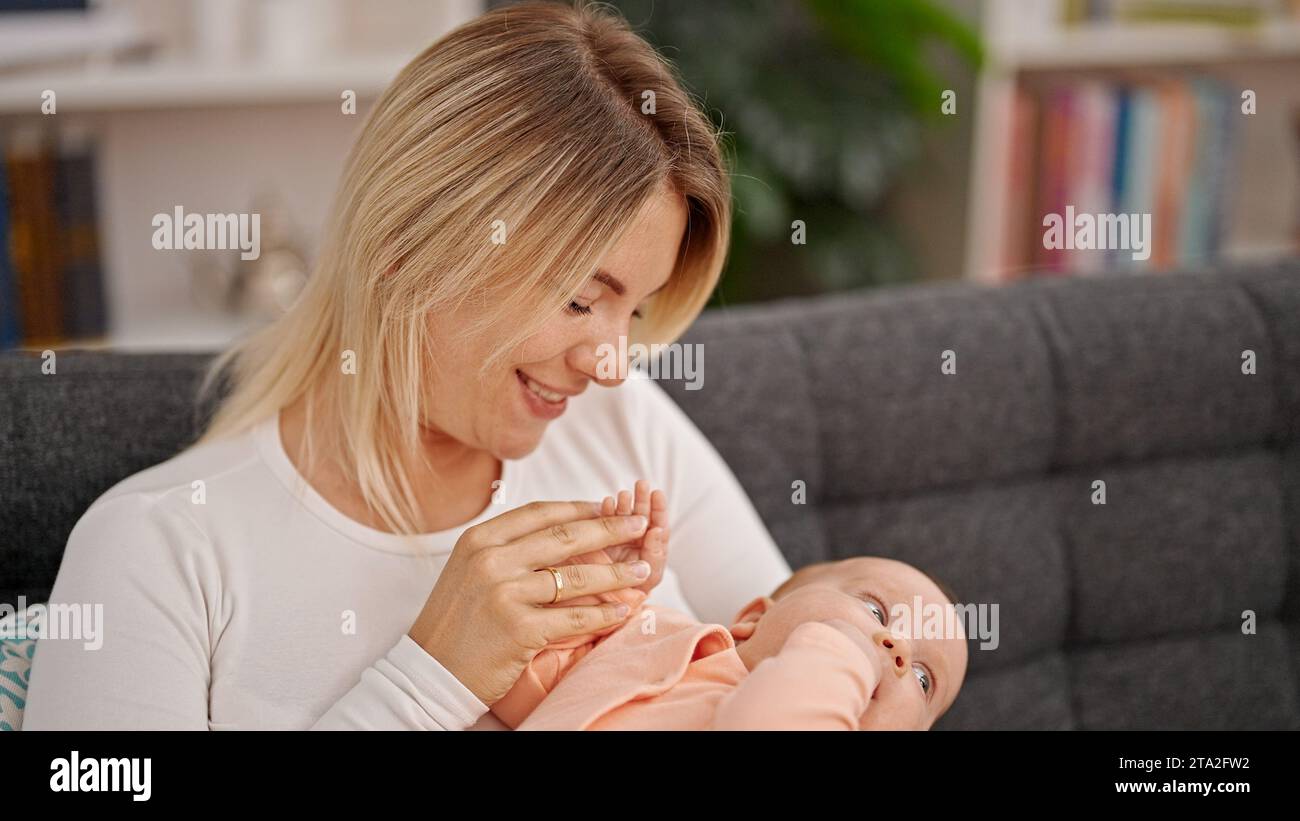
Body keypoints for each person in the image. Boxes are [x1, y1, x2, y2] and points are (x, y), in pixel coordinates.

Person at [23, 1, 790, 731]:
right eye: (583, 301)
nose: (613, 363)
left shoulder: (621, 425)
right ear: (409, 249)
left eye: (638, 310)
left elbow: (819, 656)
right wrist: (432, 676)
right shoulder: (159, 546)